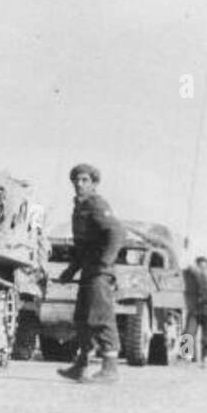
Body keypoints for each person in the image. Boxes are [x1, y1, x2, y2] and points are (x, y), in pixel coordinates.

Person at [55, 163, 125, 383]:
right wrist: (71, 269)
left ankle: (111, 369)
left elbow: (117, 232)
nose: (79, 183)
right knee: (82, 318)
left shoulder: (95, 204)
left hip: (99, 272)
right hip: (88, 270)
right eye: (76, 180)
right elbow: (82, 247)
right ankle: (82, 364)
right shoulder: (80, 207)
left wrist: (105, 261)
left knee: (101, 317)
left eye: (85, 180)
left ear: (94, 184)